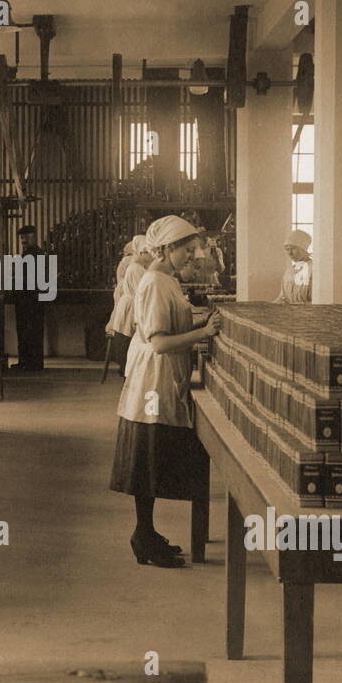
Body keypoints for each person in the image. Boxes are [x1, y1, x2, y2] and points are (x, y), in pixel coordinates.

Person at [110, 215, 221, 568]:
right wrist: (203, 333)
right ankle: (142, 537)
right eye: (187, 252)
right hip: (152, 383)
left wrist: (203, 322)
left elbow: (174, 324)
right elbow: (159, 342)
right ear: (167, 249)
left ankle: (148, 532)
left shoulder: (167, 280)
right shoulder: (156, 283)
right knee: (148, 461)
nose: (193, 258)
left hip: (162, 378)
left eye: (194, 251)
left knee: (153, 462)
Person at [106, 235, 149, 376]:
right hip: (131, 306)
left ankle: (127, 369)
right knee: (127, 340)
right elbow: (141, 294)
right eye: (149, 253)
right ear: (142, 252)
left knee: (127, 339)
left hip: (130, 304)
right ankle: (126, 371)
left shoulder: (138, 267)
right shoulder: (135, 268)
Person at [11, 223, 46, 370]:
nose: (23, 240)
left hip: (29, 299)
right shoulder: (34, 253)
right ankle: (33, 363)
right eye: (22, 237)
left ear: (33, 236)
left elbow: (26, 277)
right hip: (34, 298)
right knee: (33, 331)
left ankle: (28, 363)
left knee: (28, 330)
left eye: (26, 237)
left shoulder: (33, 254)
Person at [274, 229, 312, 303]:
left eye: (293, 248)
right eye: (287, 249)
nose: (290, 253)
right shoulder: (289, 272)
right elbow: (283, 298)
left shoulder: (313, 270)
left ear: (303, 249)